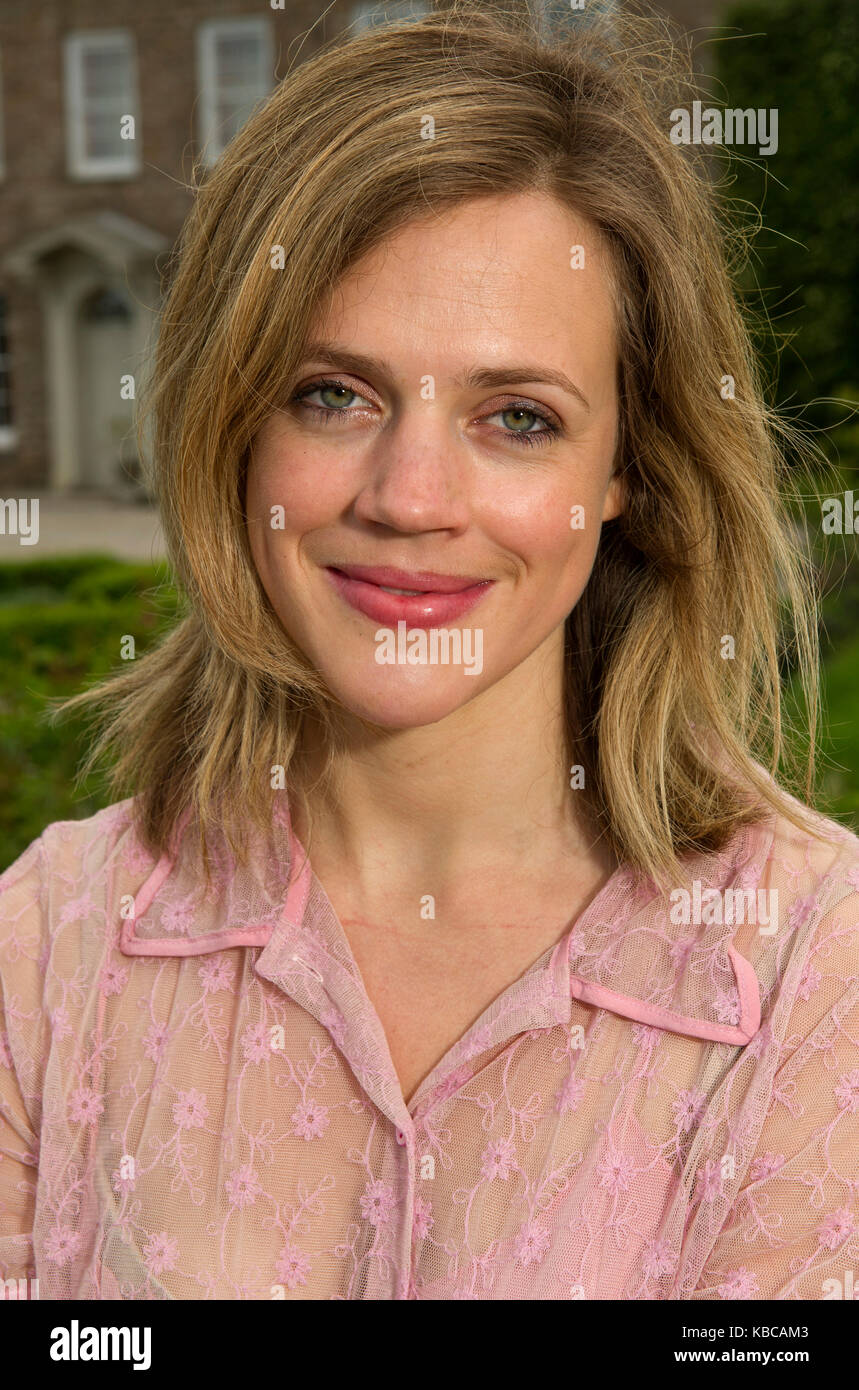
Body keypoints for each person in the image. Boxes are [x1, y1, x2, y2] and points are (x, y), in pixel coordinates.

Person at [1, 1, 857, 1301]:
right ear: (234, 420)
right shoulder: (48, 946)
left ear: (628, 462)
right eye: (332, 393)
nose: (409, 496)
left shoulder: (814, 972)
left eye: (516, 415)